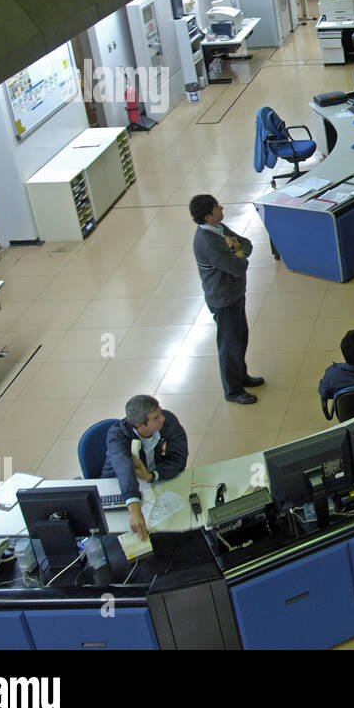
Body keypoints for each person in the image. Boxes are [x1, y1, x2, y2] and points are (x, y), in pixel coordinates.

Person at [190, 194, 264, 404]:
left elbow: (246, 244)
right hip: (223, 300)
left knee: (241, 336)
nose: (221, 207)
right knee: (229, 344)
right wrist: (236, 253)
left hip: (235, 294)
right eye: (216, 207)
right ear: (207, 216)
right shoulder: (208, 241)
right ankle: (233, 390)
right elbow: (238, 266)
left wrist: (236, 250)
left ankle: (241, 376)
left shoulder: (218, 228)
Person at [101, 395, 189, 539]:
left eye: (160, 413)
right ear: (139, 426)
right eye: (156, 418)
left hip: (157, 481)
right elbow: (124, 469)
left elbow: (178, 459)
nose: (163, 418)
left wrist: (151, 475)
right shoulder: (117, 435)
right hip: (122, 485)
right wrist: (134, 508)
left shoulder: (169, 422)